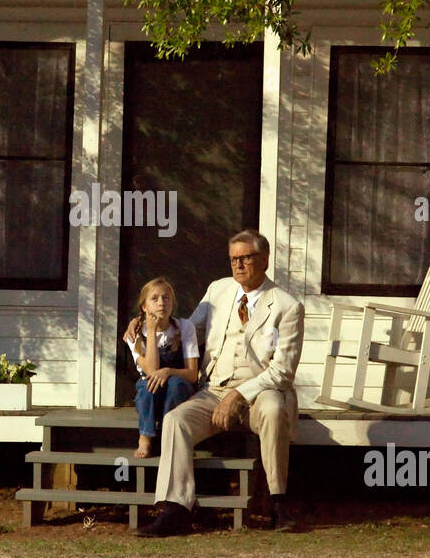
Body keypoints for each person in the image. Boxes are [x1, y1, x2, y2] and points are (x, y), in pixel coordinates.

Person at [130, 230, 305, 536]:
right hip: (215, 389)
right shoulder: (218, 291)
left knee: (275, 408)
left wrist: (239, 394)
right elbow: (187, 331)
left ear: (263, 260)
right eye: (233, 259)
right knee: (175, 420)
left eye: (245, 258)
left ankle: (278, 504)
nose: (238, 265)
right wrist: (148, 327)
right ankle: (175, 509)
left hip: (260, 392)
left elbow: (283, 371)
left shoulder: (286, 306)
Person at [124, 277, 200, 458]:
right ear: (144, 307)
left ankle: (168, 435)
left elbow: (192, 375)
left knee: (175, 383)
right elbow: (150, 371)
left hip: (177, 391)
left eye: (166, 298)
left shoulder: (185, 327)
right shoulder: (135, 334)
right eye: (155, 298)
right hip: (151, 393)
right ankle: (146, 437)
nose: (161, 303)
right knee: (146, 386)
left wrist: (168, 371)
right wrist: (151, 331)